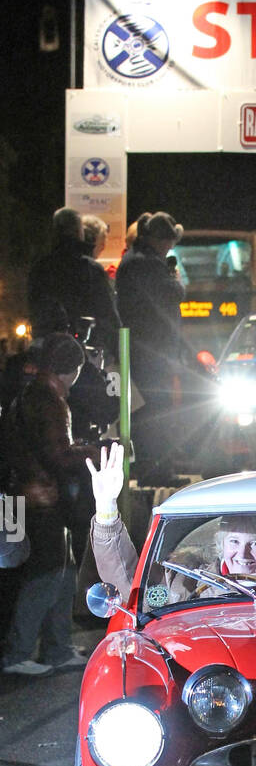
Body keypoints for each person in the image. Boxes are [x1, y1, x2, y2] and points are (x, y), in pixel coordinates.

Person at [86, 443, 256, 603]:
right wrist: (107, 508)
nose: (242, 554)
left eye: (255, 543)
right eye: (234, 541)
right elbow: (128, 583)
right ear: (221, 544)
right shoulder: (183, 583)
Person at [2, 333, 90, 675]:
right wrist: (93, 452)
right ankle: (19, 652)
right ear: (73, 368)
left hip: (26, 494)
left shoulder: (28, 394)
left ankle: (58, 647)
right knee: (48, 571)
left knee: (61, 570)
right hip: (40, 497)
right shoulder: (49, 400)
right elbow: (58, 454)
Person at [115, 211, 187, 481]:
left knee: (151, 410)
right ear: (160, 240)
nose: (170, 247)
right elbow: (175, 293)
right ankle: (157, 470)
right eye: (169, 242)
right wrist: (173, 274)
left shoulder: (134, 260)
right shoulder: (148, 264)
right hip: (153, 350)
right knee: (159, 410)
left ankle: (153, 466)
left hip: (144, 347)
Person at [27, 207, 121, 361]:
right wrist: (117, 354)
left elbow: (35, 309)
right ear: (80, 232)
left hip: (48, 352)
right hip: (85, 353)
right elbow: (108, 315)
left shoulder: (40, 268)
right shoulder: (90, 269)